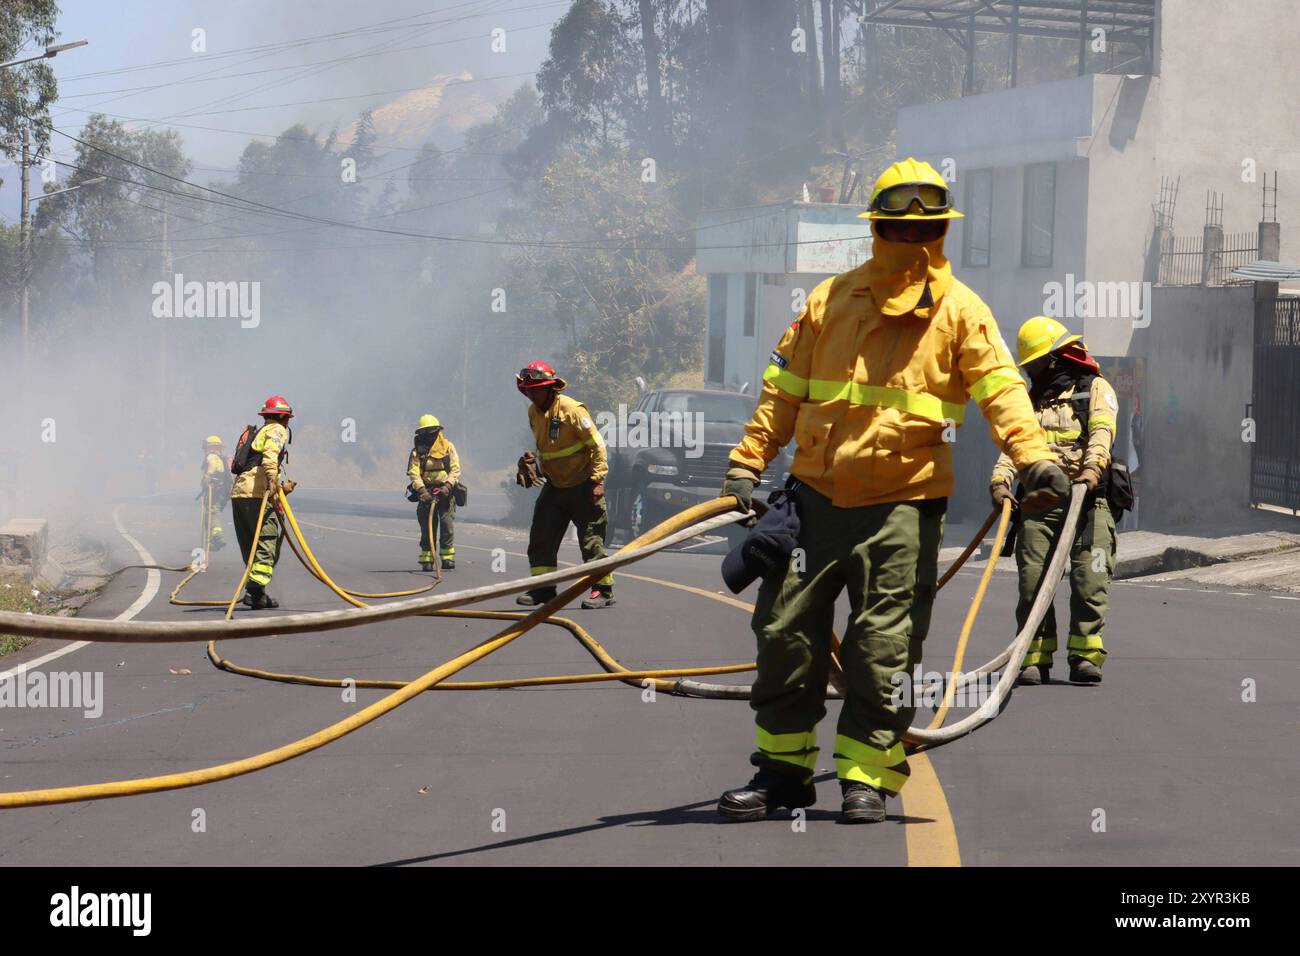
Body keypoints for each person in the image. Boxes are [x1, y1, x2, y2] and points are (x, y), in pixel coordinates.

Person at [715, 158, 1068, 824]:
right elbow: (781, 392)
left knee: (885, 649)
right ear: (877, 228)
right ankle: (784, 775)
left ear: (940, 233)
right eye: (899, 230)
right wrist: (747, 462)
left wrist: (1035, 458)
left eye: (925, 230)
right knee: (786, 637)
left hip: (903, 511)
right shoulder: (827, 301)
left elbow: (1002, 391)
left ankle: (865, 777)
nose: (911, 242)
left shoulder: (963, 313)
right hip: (812, 502)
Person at [990, 317, 1119, 686]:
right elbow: (1015, 446)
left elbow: (1102, 433)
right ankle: (1033, 658)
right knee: (1032, 582)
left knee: (1089, 580)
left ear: (1053, 359)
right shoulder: (1032, 401)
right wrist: (1000, 481)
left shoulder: (1096, 389)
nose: (1030, 370)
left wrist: (1092, 470)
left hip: (1088, 501)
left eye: (1033, 363)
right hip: (1038, 503)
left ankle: (1085, 657)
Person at [514, 361, 614, 610]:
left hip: (583, 485)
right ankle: (543, 588)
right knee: (541, 535)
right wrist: (533, 464)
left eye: (536, 389)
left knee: (592, 541)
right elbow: (549, 448)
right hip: (555, 486)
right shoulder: (533, 412)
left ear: (551, 389)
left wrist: (598, 480)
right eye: (528, 389)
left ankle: (602, 590)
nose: (532, 394)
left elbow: (598, 446)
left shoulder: (573, 411)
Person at [230, 395, 294, 610]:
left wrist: (280, 488)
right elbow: (269, 456)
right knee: (267, 543)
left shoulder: (260, 431)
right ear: (284, 417)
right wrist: (273, 480)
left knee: (251, 547)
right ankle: (254, 589)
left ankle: (257, 595)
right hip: (257, 494)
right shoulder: (277, 430)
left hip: (240, 493)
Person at [407, 414, 461, 571]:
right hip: (426, 493)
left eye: (431, 432)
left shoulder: (448, 447)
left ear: (438, 431)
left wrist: (448, 486)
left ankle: (447, 558)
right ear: (420, 434)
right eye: (425, 433)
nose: (429, 436)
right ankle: (427, 558)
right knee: (427, 526)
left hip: (445, 491)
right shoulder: (417, 452)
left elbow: (455, 469)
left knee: (446, 523)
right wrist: (422, 491)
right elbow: (413, 472)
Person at [199, 435, 231, 552]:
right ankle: (213, 541)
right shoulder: (221, 458)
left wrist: (208, 476)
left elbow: (211, 466)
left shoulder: (212, 456)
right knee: (210, 513)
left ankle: (217, 536)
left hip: (216, 489)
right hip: (223, 491)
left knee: (212, 512)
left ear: (209, 447)